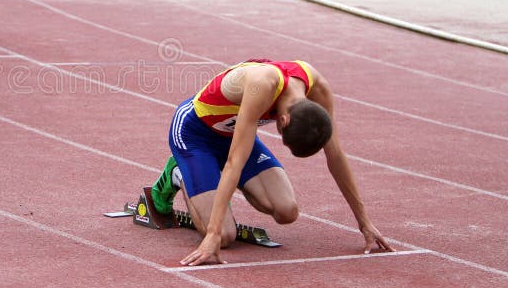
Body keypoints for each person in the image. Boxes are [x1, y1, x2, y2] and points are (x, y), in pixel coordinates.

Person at [149, 58, 393, 266]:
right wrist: (211, 235)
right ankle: (178, 173)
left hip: (234, 134)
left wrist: (365, 222)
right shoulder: (261, 85)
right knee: (224, 235)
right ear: (284, 120)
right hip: (195, 135)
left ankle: (207, 181)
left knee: (287, 211)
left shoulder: (317, 88)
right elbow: (235, 161)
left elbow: (336, 155)